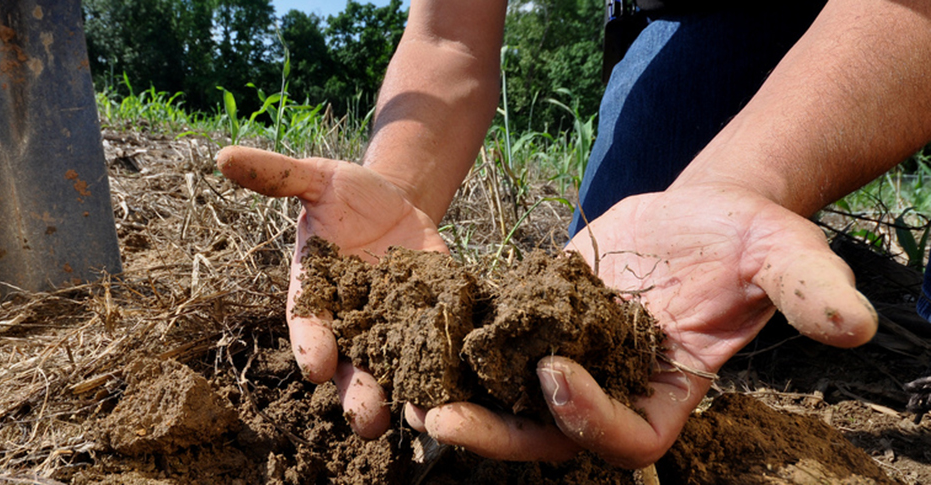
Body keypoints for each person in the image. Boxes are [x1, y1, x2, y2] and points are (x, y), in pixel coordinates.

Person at [216, 0, 931, 468]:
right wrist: (396, 197)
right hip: (709, 12)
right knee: (624, 255)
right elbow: (450, 36)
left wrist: (756, 177)